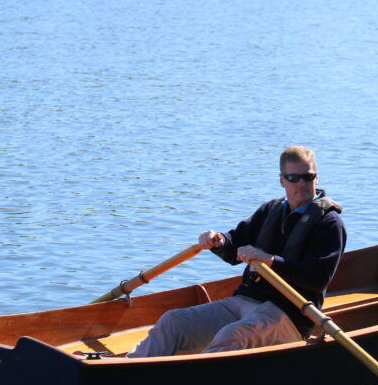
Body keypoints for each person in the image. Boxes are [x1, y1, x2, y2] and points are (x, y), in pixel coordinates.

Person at [126, 145, 346, 357]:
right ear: (282, 181)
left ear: (316, 178)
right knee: (173, 321)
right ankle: (128, 372)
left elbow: (318, 278)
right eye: (293, 178)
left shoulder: (329, 223)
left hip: (291, 314)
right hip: (245, 301)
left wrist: (269, 261)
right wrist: (218, 240)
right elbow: (234, 248)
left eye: (308, 177)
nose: (301, 183)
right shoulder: (270, 210)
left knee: (232, 335)